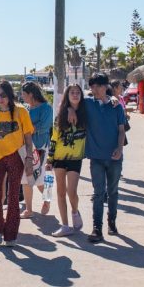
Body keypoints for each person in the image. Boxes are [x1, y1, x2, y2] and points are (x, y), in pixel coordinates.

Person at [0, 80, 34, 246]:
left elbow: (28, 137)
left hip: (15, 156)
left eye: (3, 95)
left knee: (13, 196)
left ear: (10, 95)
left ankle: (11, 233)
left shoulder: (21, 112)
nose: (0, 99)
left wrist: (29, 159)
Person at [84, 72, 127, 243]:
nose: (94, 90)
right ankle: (97, 228)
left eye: (97, 86)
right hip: (96, 157)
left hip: (114, 156)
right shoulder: (88, 103)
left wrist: (119, 149)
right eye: (92, 86)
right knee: (98, 193)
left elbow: (122, 130)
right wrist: (71, 110)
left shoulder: (117, 106)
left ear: (105, 86)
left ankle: (112, 222)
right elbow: (70, 100)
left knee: (113, 191)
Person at [46, 84, 87, 237]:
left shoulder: (86, 113)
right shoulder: (60, 116)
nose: (75, 95)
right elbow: (54, 138)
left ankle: (75, 211)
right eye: (72, 93)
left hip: (75, 158)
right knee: (61, 192)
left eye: (78, 92)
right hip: (59, 158)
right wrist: (49, 159)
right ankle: (65, 225)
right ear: (67, 96)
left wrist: (114, 98)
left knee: (72, 191)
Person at [19, 81, 54, 218]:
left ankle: (47, 199)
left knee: (39, 178)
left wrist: (27, 129)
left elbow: (43, 127)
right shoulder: (25, 108)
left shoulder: (46, 108)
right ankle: (29, 210)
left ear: (31, 94)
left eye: (24, 94)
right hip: (25, 148)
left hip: (40, 146)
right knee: (26, 178)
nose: (22, 97)